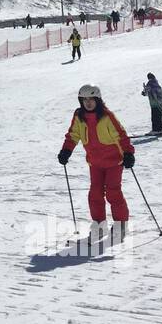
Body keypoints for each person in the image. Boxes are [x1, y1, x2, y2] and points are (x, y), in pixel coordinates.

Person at [57, 84, 135, 244]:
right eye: (84, 100)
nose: (88, 103)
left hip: (114, 161)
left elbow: (121, 135)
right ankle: (99, 225)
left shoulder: (107, 116)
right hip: (95, 163)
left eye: (91, 99)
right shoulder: (79, 116)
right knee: (95, 193)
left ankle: (121, 225)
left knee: (113, 192)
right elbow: (73, 135)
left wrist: (128, 153)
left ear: (97, 100)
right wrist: (66, 150)